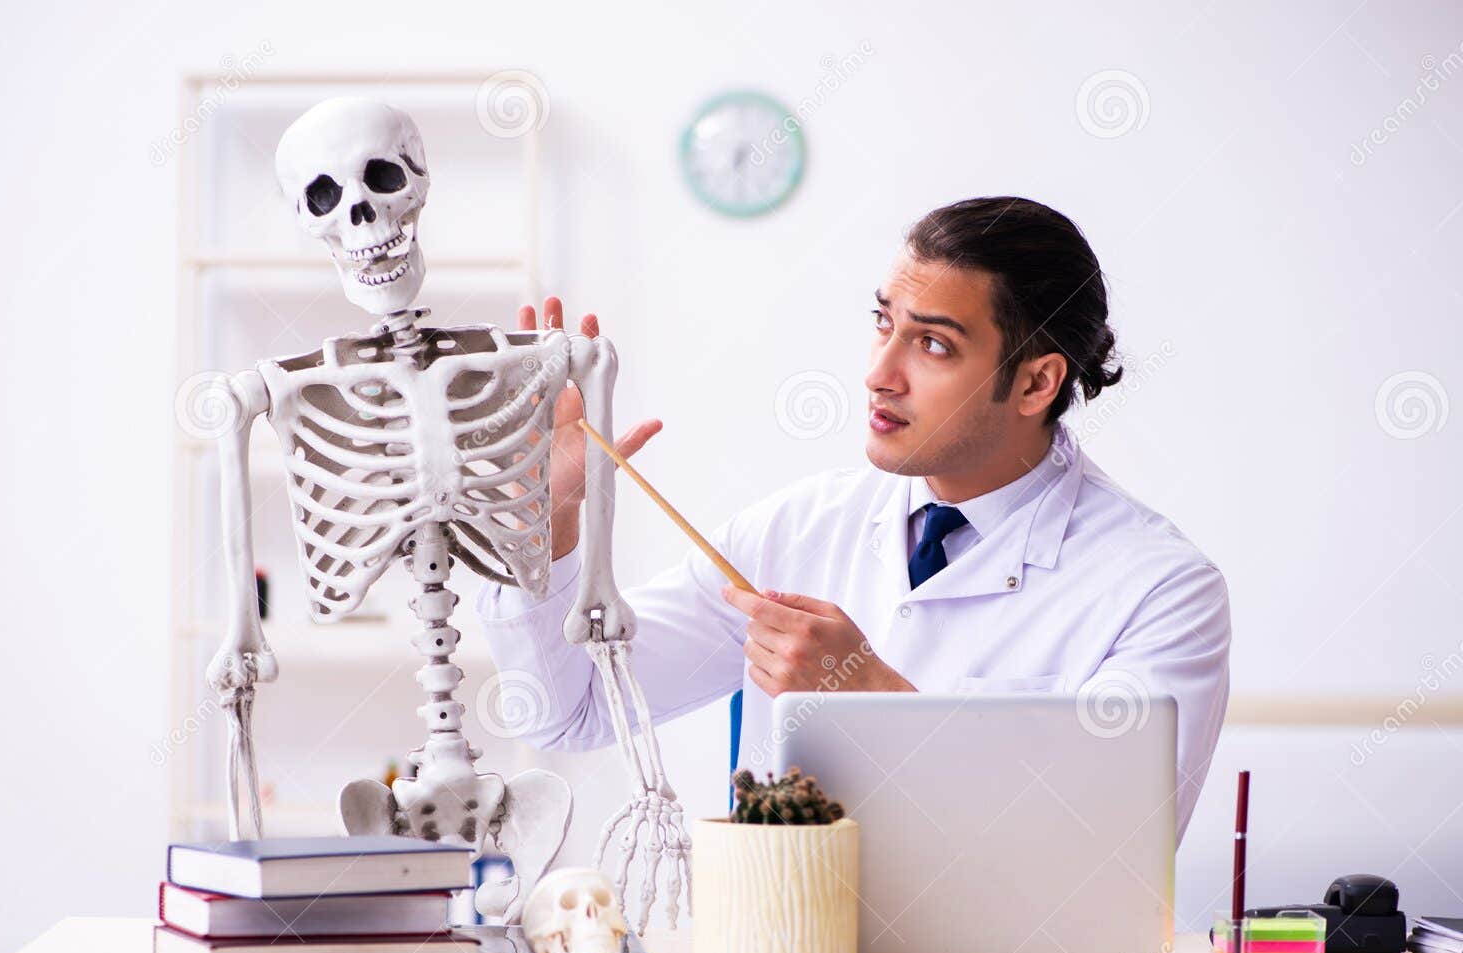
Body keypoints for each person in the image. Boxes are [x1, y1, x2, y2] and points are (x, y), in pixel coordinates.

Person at [476, 196, 1229, 841]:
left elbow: (1116, 848)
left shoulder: (1159, 588)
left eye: (932, 344)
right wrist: (544, 512)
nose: (878, 374)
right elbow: (567, 710)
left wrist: (873, 699)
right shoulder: (797, 530)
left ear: (1036, 383)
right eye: (882, 323)